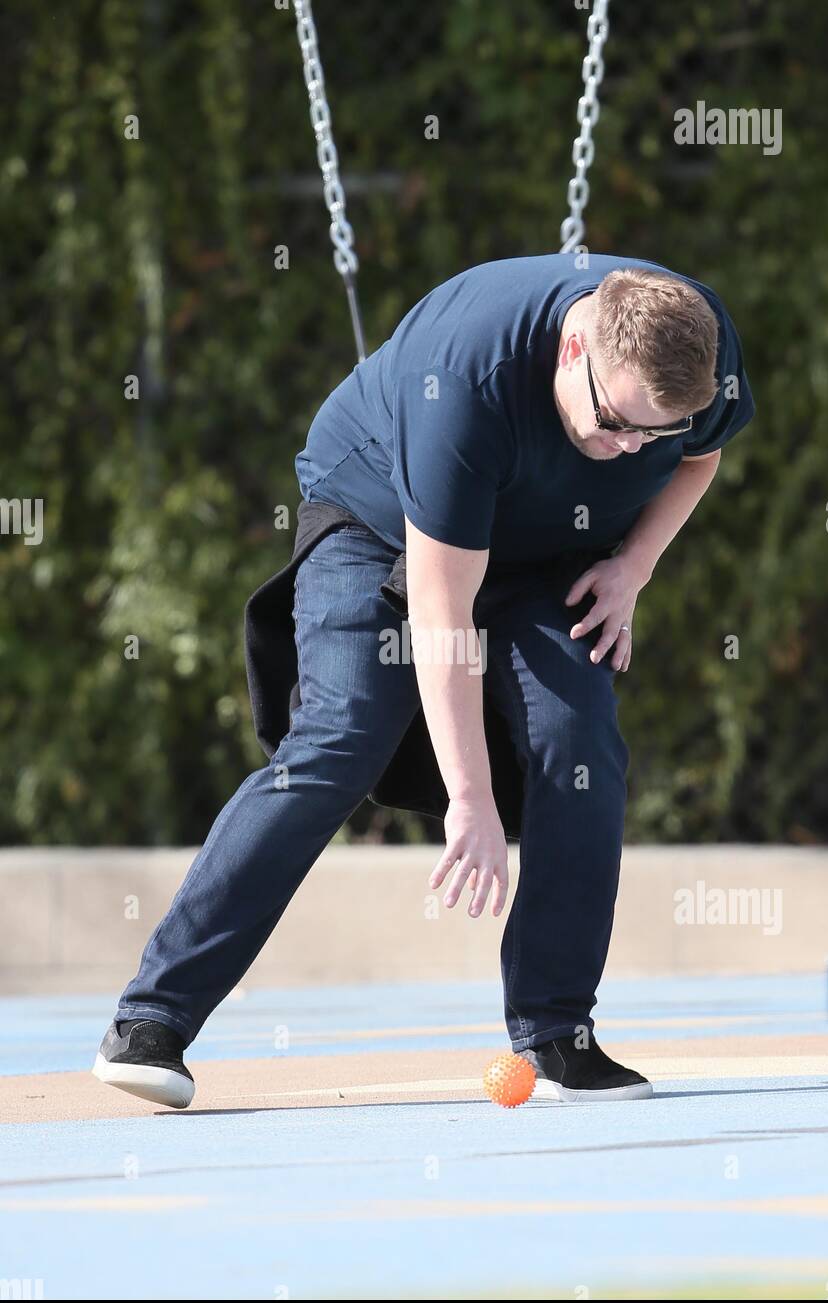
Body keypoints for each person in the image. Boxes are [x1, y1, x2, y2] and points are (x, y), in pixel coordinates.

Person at [92, 253, 755, 1109]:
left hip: (542, 548)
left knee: (579, 737)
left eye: (649, 436)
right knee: (341, 739)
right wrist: (469, 799)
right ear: (572, 349)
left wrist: (634, 565)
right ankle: (153, 1018)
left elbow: (701, 455)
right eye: (614, 424)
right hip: (380, 524)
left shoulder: (692, 351)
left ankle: (558, 1034)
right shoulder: (468, 383)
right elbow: (442, 620)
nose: (628, 449)